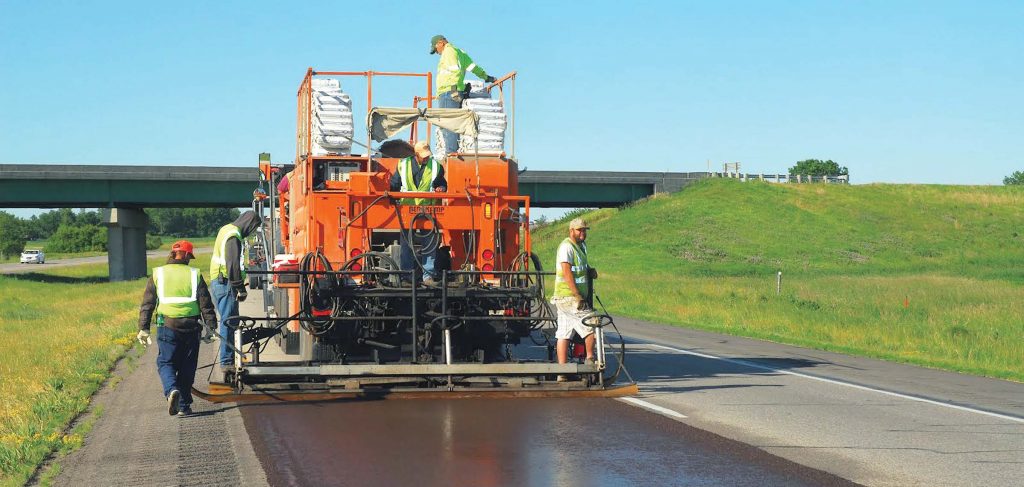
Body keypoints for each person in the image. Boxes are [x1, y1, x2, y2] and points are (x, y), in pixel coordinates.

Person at [137, 240, 217, 416]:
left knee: (166, 362)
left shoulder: (158, 273)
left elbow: (148, 304)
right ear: (187, 255)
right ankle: (183, 405)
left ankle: (172, 390)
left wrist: (144, 328)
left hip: (167, 326)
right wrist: (211, 327)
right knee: (187, 366)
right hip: (192, 326)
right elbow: (205, 303)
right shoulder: (194, 274)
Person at [209, 210, 262, 367]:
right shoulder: (233, 235)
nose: (251, 232)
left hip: (221, 282)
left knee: (231, 321)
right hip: (226, 283)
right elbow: (232, 265)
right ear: (249, 224)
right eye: (253, 228)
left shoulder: (226, 229)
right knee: (229, 322)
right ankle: (226, 361)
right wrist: (240, 287)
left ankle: (231, 358)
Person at [390, 141, 447, 285]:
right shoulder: (403, 165)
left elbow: (442, 183)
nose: (426, 158)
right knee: (406, 244)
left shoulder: (436, 166)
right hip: (407, 210)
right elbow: (395, 184)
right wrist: (392, 200)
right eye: (423, 156)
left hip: (428, 210)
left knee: (430, 244)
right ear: (416, 155)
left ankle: (428, 277)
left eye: (428, 155)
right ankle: (407, 276)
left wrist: (441, 188)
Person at [429, 34, 496, 154]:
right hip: (454, 90)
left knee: (448, 123)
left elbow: (454, 71)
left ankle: (451, 154)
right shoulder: (460, 52)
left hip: (448, 91)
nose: (437, 52)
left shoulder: (448, 52)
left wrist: (453, 89)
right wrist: (486, 77)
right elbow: (474, 68)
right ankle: (453, 152)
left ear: (441, 43)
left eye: (436, 49)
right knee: (454, 122)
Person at [550, 217, 598, 381]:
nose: (583, 233)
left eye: (584, 230)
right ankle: (590, 360)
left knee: (564, 333)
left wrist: (589, 270)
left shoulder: (581, 246)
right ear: (571, 231)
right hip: (569, 297)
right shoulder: (566, 247)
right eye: (579, 230)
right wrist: (577, 294)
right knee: (592, 323)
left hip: (567, 298)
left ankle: (562, 372)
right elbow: (567, 272)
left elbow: (580, 268)